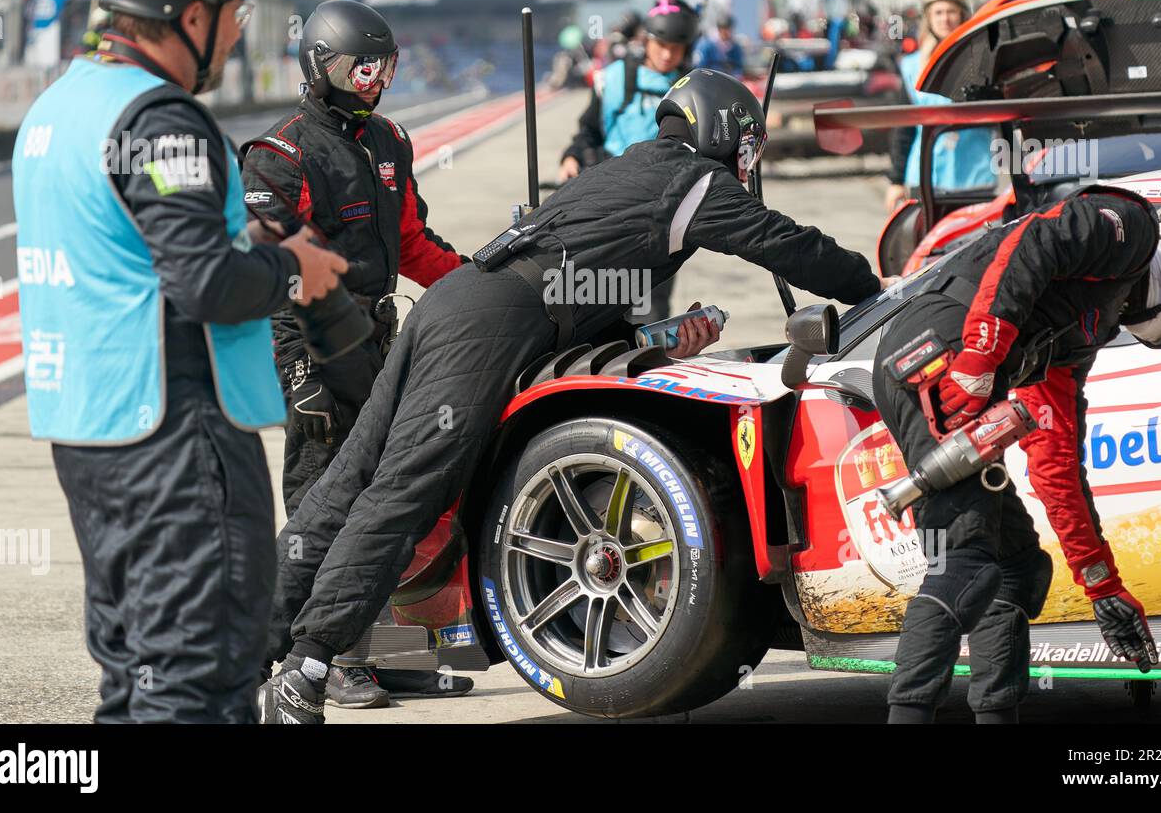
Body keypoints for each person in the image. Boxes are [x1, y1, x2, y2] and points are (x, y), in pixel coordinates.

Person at [258, 68, 890, 722]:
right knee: (406, 491)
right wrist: (876, 287)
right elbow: (790, 245)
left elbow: (593, 295)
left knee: (350, 480)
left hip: (464, 304)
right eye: (746, 150)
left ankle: (255, 643)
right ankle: (307, 666)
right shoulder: (695, 182)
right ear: (726, 134)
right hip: (493, 323)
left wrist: (659, 337)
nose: (744, 166)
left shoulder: (637, 169)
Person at [11, 0, 348, 723]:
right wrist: (291, 266)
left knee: (136, 674)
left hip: (89, 432)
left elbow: (133, 248)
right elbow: (205, 285)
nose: (234, 39)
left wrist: (241, 237)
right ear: (191, 16)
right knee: (202, 677)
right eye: (234, 18)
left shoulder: (60, 110)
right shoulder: (162, 120)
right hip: (176, 441)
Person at [872, 187, 1161, 723]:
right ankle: (908, 715)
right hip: (937, 351)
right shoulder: (1131, 224)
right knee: (964, 560)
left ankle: (996, 714)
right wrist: (982, 355)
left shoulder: (1072, 334)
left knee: (1017, 566)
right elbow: (1031, 241)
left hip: (945, 357)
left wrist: (1102, 582)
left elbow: (1055, 461)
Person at [242, 0, 471, 708]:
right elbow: (273, 272)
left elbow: (411, 246)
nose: (372, 80)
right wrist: (300, 374)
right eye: (358, 67)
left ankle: (383, 648)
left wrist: (485, 282)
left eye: (382, 67)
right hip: (309, 347)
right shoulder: (280, 154)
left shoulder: (390, 142)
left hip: (379, 342)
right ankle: (321, 657)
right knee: (321, 506)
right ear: (320, 66)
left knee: (392, 500)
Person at [557, 0, 699, 320]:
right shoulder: (614, 78)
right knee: (601, 301)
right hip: (610, 202)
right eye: (661, 44)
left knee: (652, 306)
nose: (667, 54)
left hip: (662, 210)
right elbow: (588, 131)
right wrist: (571, 156)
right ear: (646, 40)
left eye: (677, 47)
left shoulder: (693, 88)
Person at [885, 0, 995, 211]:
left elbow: (1004, 117)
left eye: (951, 11)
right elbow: (903, 128)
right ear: (928, 18)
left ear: (963, 15)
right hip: (926, 177)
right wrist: (896, 180)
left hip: (973, 178)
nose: (945, 19)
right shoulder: (912, 66)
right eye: (938, 12)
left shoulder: (984, 63)